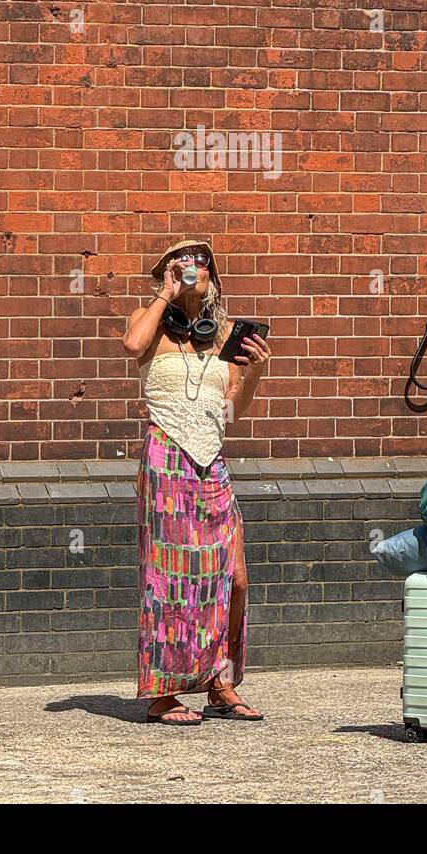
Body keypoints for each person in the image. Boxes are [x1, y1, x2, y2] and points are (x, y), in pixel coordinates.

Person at [122, 238, 270, 726]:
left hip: (212, 460)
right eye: (182, 263)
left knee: (235, 578)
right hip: (166, 456)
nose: (193, 269)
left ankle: (219, 682)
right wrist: (164, 295)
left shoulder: (224, 333)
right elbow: (132, 346)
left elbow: (234, 408)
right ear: (166, 272)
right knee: (170, 580)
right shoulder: (149, 324)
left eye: (201, 262)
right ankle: (163, 693)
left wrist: (254, 373)